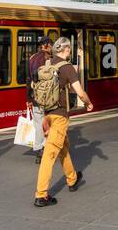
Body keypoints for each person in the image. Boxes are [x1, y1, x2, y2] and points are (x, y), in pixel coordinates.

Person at [34, 37, 93, 207]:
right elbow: (80, 93)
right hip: (59, 116)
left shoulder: (46, 64)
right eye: (69, 50)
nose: (70, 53)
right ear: (66, 49)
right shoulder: (67, 68)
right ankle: (41, 194)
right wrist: (88, 103)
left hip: (47, 114)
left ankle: (72, 179)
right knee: (49, 154)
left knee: (64, 147)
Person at [27, 38, 53, 165]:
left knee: (38, 125)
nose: (52, 47)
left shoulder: (32, 58)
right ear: (47, 46)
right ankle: (46, 148)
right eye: (51, 45)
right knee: (49, 124)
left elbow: (28, 79)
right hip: (48, 98)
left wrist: (28, 99)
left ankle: (38, 151)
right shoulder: (49, 59)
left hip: (35, 97)